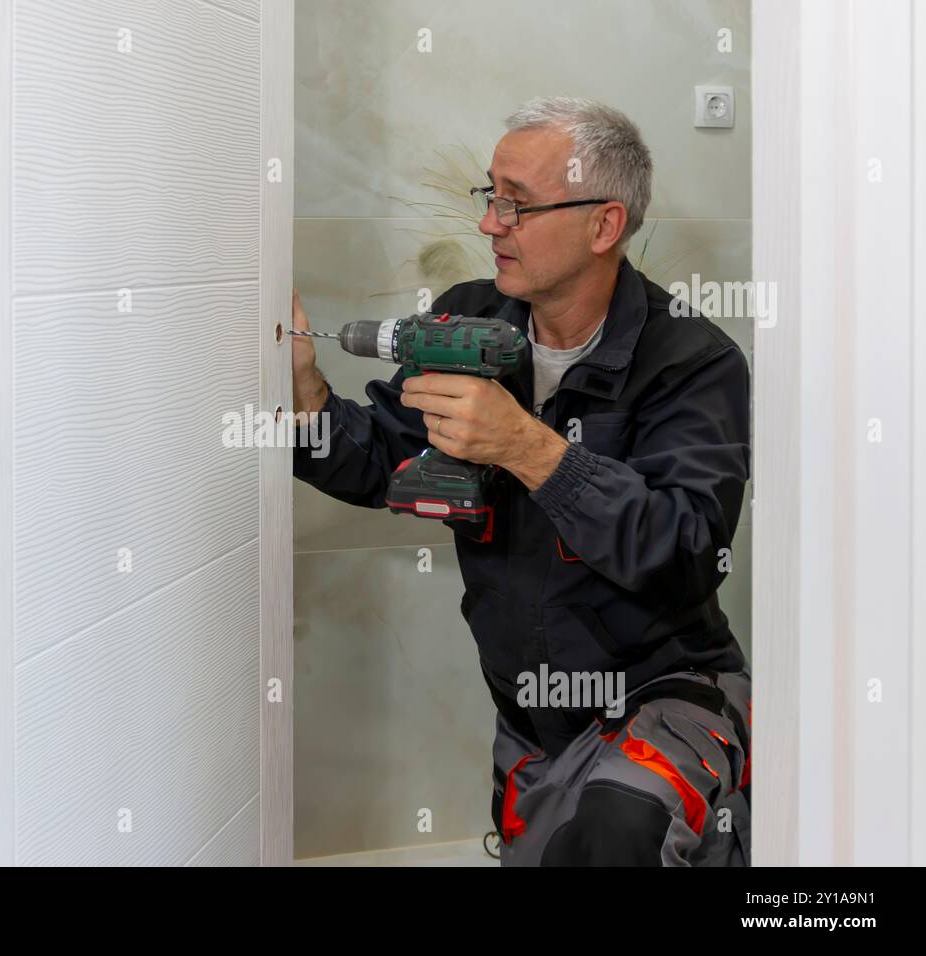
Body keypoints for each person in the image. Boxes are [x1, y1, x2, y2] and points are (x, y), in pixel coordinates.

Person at [290, 97, 751, 866]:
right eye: (490, 196)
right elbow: (381, 458)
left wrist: (529, 448)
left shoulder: (692, 363)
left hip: (664, 693)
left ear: (604, 225)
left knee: (618, 834)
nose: (488, 224)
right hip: (533, 722)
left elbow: (686, 550)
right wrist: (305, 394)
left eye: (517, 205)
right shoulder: (469, 322)